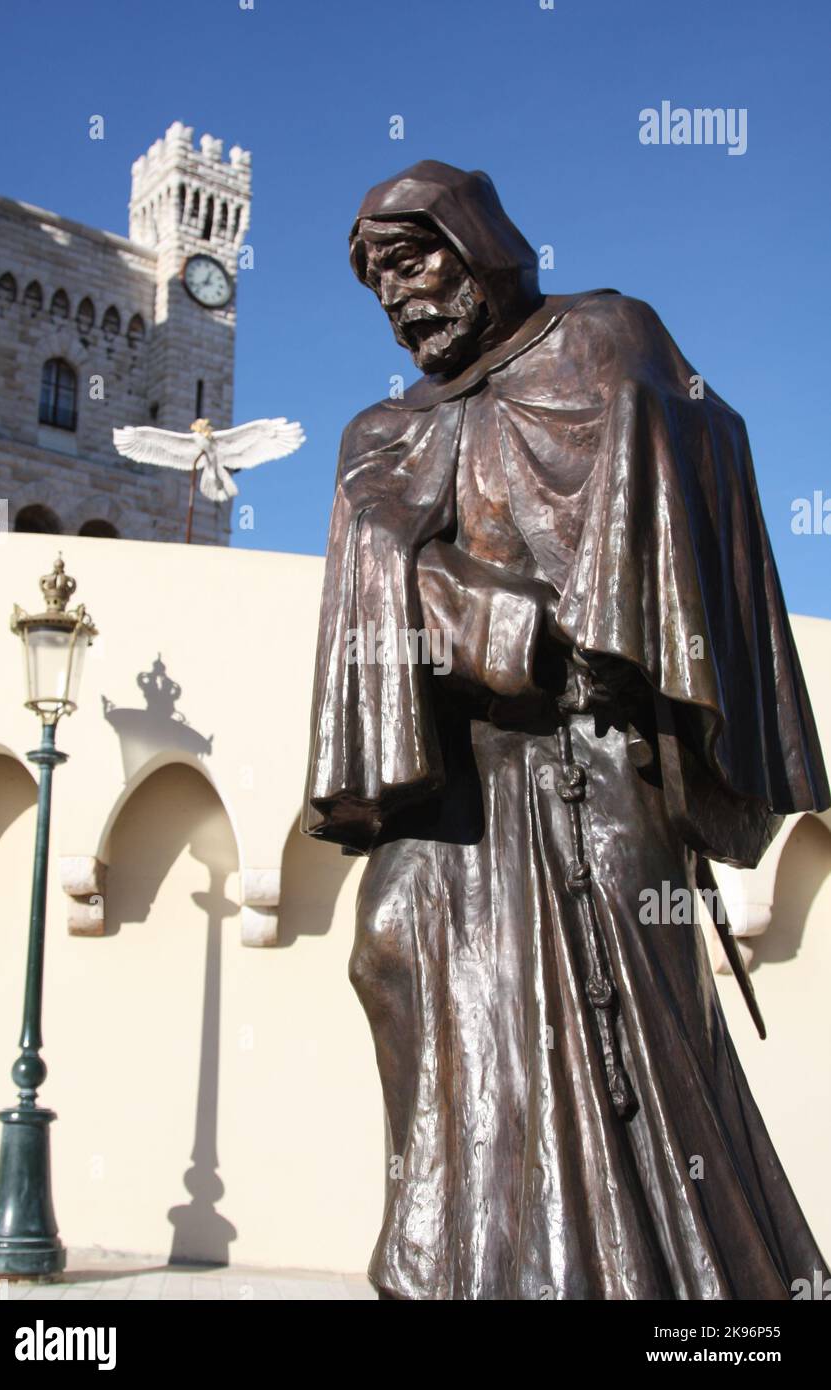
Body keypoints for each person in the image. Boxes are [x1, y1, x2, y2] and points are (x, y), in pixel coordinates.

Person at [303, 160, 829, 1300]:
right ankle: (455, 1270)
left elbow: (699, 462)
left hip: (598, 759)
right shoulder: (378, 434)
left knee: (638, 1030)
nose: (398, 295)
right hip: (447, 771)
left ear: (479, 238)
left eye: (415, 258)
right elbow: (370, 594)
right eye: (375, 278)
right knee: (388, 942)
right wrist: (499, 620)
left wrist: (623, 634)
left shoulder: (603, 339)